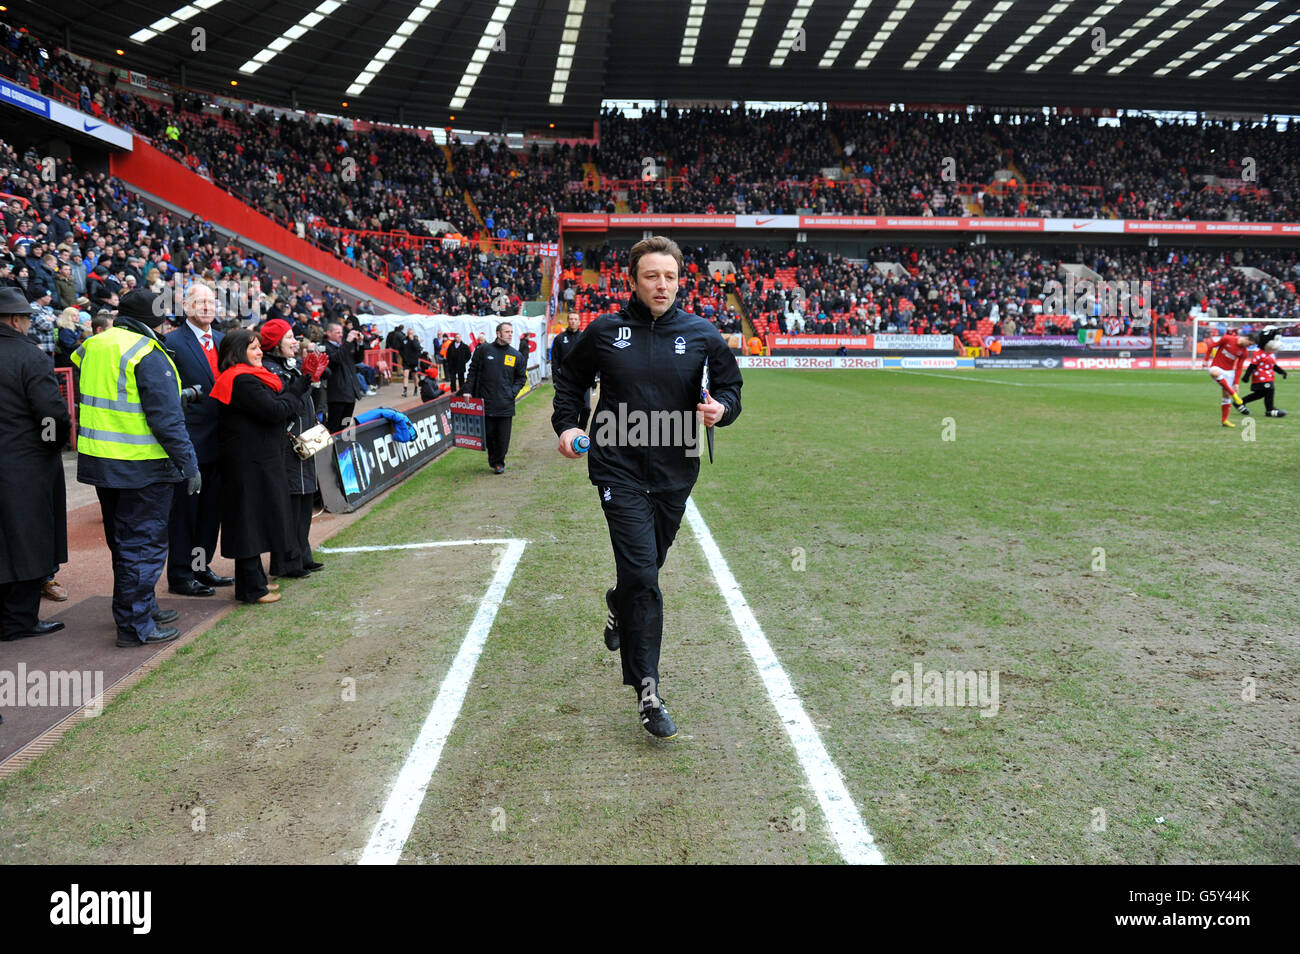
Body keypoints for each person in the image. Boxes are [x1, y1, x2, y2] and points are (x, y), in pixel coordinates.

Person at [553, 235, 743, 739]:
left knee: (640, 576)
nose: (662, 285)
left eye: (671, 277)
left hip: (676, 471)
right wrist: (568, 425)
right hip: (617, 467)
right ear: (633, 281)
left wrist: (721, 410)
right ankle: (648, 690)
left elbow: (731, 389)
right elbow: (570, 380)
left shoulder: (702, 335)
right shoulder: (604, 331)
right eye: (652, 276)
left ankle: (618, 603)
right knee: (646, 578)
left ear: (681, 281)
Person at [72, 290, 200, 647]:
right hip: (141, 466)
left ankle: (141, 609)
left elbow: (114, 393)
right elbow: (166, 420)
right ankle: (135, 625)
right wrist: (189, 464)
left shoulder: (94, 344)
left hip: (101, 461)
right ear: (155, 319)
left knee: (124, 545)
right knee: (142, 546)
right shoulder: (147, 351)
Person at [210, 327, 313, 604]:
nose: (259, 352)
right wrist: (299, 388)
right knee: (248, 522)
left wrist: (297, 386)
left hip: (255, 460)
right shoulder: (241, 380)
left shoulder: (246, 378)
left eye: (259, 347)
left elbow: (275, 406)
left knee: (252, 521)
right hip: (248, 463)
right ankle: (252, 589)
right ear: (237, 352)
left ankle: (254, 584)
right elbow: (275, 411)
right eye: (253, 348)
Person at [0, 286, 71, 642]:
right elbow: (52, 414)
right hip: (24, 464)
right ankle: (19, 620)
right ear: (16, 320)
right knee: (30, 539)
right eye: (26, 318)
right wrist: (50, 446)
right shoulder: (28, 356)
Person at [164, 283, 233, 596]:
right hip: (189, 442)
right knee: (186, 513)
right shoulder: (171, 342)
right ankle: (180, 575)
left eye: (211, 301)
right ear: (186, 306)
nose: (207, 306)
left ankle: (200, 567)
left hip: (221, 441)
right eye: (200, 301)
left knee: (211, 512)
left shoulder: (224, 340)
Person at [260, 319, 326, 577]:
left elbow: (309, 401)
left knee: (304, 500)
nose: (295, 342)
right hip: (286, 445)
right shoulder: (271, 369)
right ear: (275, 343)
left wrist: (315, 380)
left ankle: (302, 554)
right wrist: (305, 380)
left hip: (303, 441)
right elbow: (286, 405)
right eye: (289, 337)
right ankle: (286, 561)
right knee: (289, 503)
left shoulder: (292, 366)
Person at [463, 320, 526, 474]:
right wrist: (468, 390)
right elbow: (473, 371)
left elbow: (521, 378)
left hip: (505, 405)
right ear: (498, 334)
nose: (510, 334)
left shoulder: (516, 355)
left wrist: (512, 393)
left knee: (503, 438)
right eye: (507, 332)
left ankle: (499, 463)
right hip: (486, 403)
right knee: (490, 435)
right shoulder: (484, 350)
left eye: (511, 332)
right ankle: (493, 458)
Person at [549, 313, 590, 431]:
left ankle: (581, 429)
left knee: (586, 408)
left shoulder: (585, 338)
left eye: (575, 319)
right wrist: (556, 380)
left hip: (583, 380)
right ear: (567, 321)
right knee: (569, 409)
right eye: (571, 319)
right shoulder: (559, 339)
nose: (573, 321)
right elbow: (555, 361)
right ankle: (572, 431)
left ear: (579, 322)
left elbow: (591, 358)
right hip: (565, 382)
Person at [1204, 329, 1253, 427]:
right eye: (1249, 344)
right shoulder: (1227, 339)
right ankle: (1233, 394)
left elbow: (1239, 368)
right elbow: (1212, 346)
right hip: (1217, 366)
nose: (1249, 346)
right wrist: (1206, 360)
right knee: (1214, 373)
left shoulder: (1244, 352)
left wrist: (1236, 383)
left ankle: (1224, 421)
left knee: (1226, 397)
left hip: (1229, 372)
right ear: (1247, 339)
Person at [323, 321, 364, 432]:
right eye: (337, 332)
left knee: (345, 426)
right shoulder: (325, 347)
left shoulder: (344, 346)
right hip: (337, 394)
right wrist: (348, 342)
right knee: (334, 427)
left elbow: (358, 359)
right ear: (328, 333)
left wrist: (360, 344)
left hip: (350, 393)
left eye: (341, 332)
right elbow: (335, 360)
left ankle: (343, 447)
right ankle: (333, 449)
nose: (341, 334)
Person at [1241, 337, 1288, 417]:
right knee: (1270, 389)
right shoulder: (1257, 353)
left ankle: (1240, 402)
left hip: (1268, 376)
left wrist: (1282, 372)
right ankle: (1269, 410)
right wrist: (1246, 376)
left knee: (1260, 394)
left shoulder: (1271, 353)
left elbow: (1273, 365)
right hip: (1260, 376)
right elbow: (1252, 365)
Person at [401, 328, 423, 398]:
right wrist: (403, 356)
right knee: (405, 375)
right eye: (409, 333)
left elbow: (417, 348)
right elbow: (400, 349)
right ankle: (405, 390)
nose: (410, 335)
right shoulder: (404, 340)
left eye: (411, 333)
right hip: (406, 361)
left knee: (415, 376)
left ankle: (416, 388)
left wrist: (412, 340)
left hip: (414, 361)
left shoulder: (415, 340)